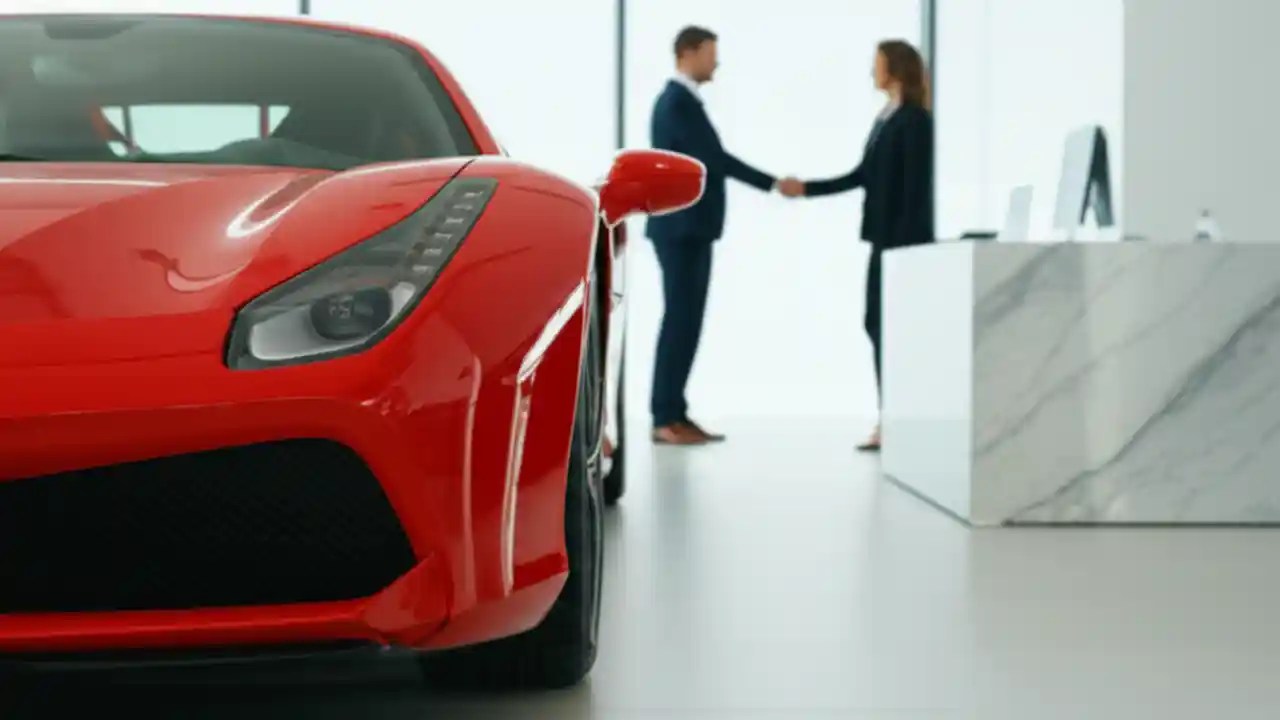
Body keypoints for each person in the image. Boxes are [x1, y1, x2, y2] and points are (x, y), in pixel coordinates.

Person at [779, 39, 934, 451]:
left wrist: (906, 248)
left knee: (890, 328)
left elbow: (917, 191)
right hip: (882, 240)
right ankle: (891, 418)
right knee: (876, 324)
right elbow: (863, 175)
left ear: (896, 68)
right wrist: (807, 189)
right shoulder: (887, 118)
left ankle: (898, 422)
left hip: (902, 245)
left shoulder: (915, 120)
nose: (872, 72)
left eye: (878, 64)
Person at [646, 25, 788, 446]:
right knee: (680, 321)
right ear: (688, 53)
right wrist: (773, 183)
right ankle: (666, 416)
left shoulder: (683, 101)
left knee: (686, 321)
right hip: (681, 229)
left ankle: (674, 412)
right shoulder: (676, 102)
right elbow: (713, 160)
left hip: (688, 229)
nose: (716, 61)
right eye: (710, 53)